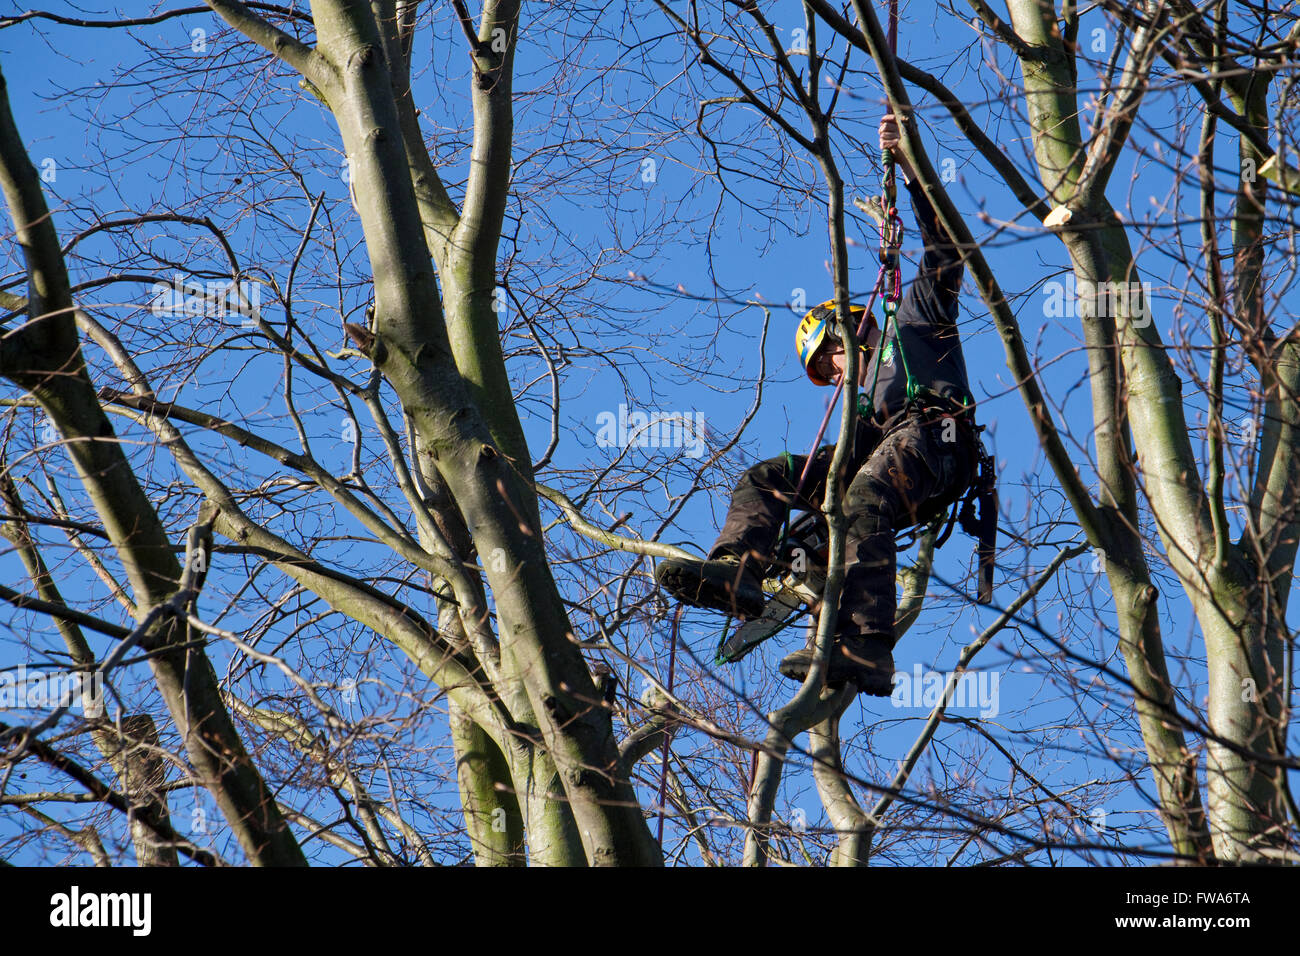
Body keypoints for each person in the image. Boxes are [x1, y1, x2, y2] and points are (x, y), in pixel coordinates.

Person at [655, 114, 981, 696]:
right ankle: (739, 572)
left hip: (936, 440)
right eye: (825, 371)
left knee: (863, 493)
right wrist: (792, 543)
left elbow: (948, 248)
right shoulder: (863, 414)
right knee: (774, 477)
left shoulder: (915, 320)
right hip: (892, 456)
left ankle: (866, 644)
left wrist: (910, 170)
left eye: (829, 357)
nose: (834, 374)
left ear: (848, 330)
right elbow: (825, 486)